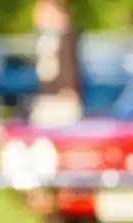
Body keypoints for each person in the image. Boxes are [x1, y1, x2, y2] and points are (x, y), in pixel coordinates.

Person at [30, 0, 83, 128]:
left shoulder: (66, 38)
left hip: (62, 98)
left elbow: (69, 65)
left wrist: (69, 88)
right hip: (47, 97)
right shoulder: (44, 39)